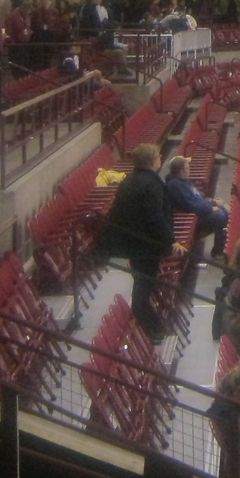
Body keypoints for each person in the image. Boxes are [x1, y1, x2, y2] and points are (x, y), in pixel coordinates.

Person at [98, 143, 187, 342]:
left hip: (133, 243)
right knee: (142, 290)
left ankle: (153, 327)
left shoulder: (129, 180)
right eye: (157, 155)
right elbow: (154, 217)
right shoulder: (151, 184)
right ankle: (153, 329)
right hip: (145, 246)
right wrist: (172, 241)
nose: (160, 157)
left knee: (143, 284)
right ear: (151, 161)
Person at [162, 154, 230, 256]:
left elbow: (198, 198)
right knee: (220, 216)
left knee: (224, 210)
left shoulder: (183, 181)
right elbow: (191, 206)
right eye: (187, 167)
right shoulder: (175, 185)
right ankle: (218, 252)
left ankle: (219, 249)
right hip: (191, 216)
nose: (189, 169)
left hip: (200, 210)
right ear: (181, 171)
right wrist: (211, 207)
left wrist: (211, 203)